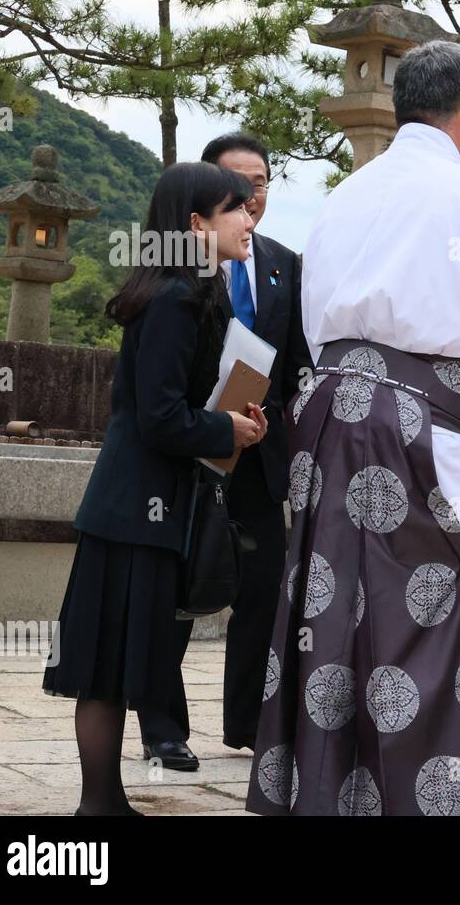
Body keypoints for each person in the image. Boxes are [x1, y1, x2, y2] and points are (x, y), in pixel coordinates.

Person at [244, 40, 460, 816]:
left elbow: (318, 323)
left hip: (327, 424)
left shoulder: (345, 198)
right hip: (418, 427)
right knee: (426, 621)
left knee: (329, 616)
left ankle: (325, 797)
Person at [43, 163, 267, 814]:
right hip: (134, 508)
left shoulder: (198, 292)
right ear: (197, 225)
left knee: (118, 660)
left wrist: (235, 421)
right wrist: (223, 425)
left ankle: (105, 801)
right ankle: (99, 803)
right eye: (235, 210)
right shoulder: (172, 299)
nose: (249, 220)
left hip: (153, 505)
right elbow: (160, 416)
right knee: (109, 661)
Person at [137, 133, 310, 770]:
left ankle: (247, 722)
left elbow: (294, 363)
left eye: (259, 183)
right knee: (178, 590)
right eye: (235, 186)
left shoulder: (285, 263)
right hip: (189, 454)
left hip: (258, 456)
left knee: (262, 592)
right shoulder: (178, 272)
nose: (249, 197)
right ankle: (163, 727)